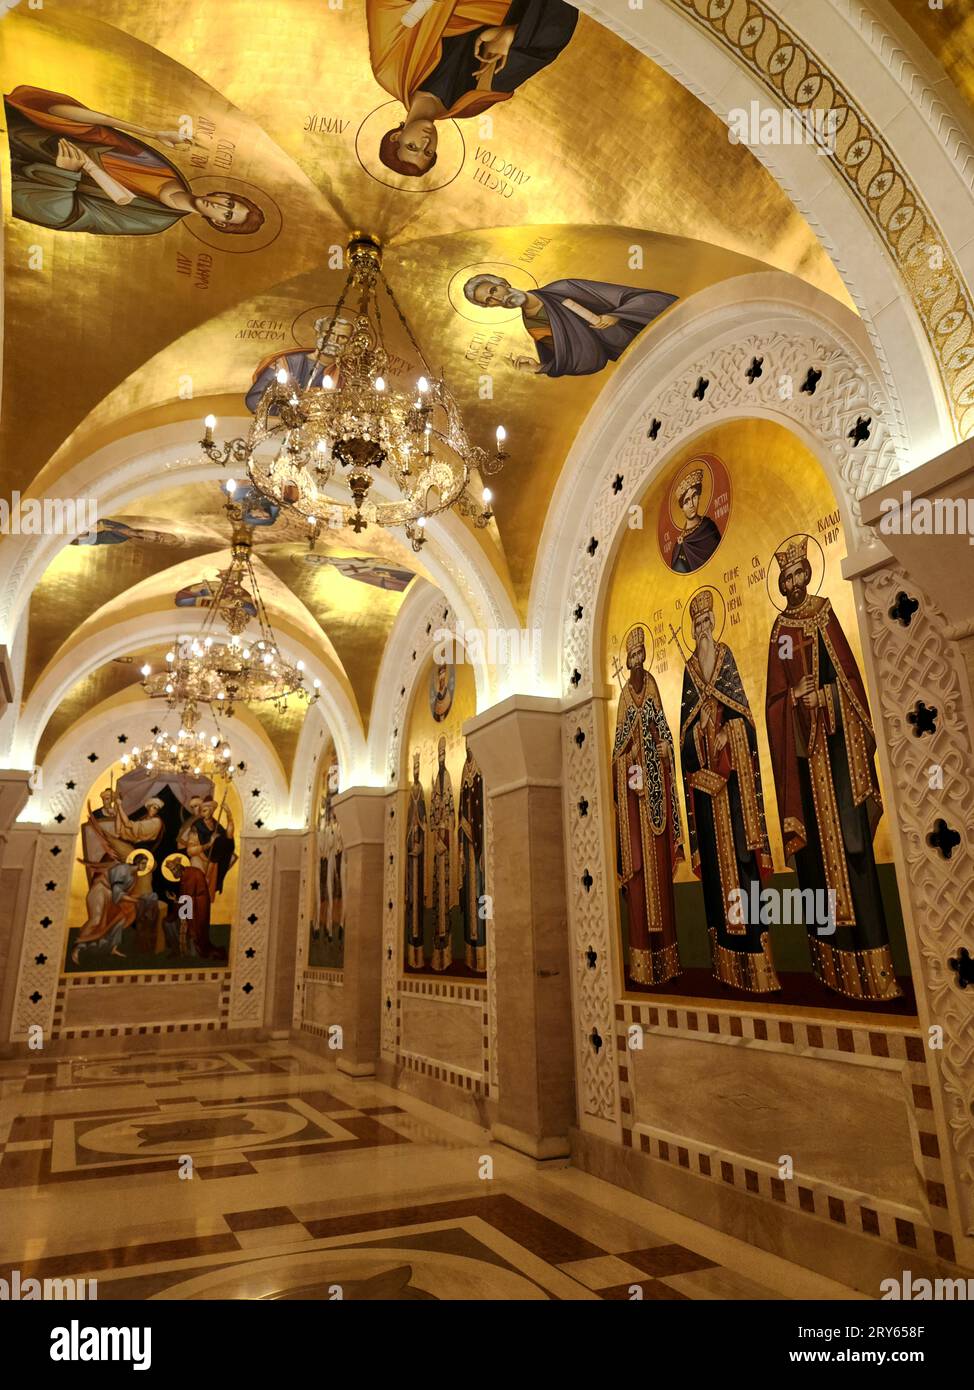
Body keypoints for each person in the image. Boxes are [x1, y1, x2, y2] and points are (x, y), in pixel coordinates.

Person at [765, 537, 901, 1001]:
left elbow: (853, 683)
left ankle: (876, 965)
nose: (795, 583)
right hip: (805, 763)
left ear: (808, 573)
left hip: (840, 759)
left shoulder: (825, 615)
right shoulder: (781, 632)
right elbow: (775, 700)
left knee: (853, 846)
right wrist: (795, 698)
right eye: (787, 578)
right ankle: (829, 965)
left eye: (799, 573)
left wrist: (826, 697)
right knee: (817, 859)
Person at [678, 590, 780, 992]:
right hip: (706, 795)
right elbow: (683, 737)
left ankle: (758, 958)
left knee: (742, 859)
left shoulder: (725, 660)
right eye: (696, 622)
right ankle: (724, 962)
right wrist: (700, 732)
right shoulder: (690, 672)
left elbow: (747, 722)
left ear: (713, 624)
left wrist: (726, 732)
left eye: (707, 621)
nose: (702, 628)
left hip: (734, 792)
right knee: (717, 875)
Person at [4, 86, 265, 238]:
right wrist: (151, 134)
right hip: (27, 137)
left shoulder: (153, 221)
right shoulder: (162, 169)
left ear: (219, 223)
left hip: (21, 173)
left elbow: (67, 218)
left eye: (227, 213)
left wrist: (64, 176)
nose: (220, 205)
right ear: (222, 193)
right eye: (229, 202)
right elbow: (94, 131)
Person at [367, 0, 578, 177]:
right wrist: (511, 34)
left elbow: (386, 7)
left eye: (413, 146)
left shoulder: (389, 71)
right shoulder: (471, 103)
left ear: (396, 136)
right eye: (429, 151)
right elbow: (547, 42)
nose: (425, 141)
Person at [612, 626, 684, 985]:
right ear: (626, 663)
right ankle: (641, 959)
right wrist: (629, 763)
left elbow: (665, 732)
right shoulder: (624, 698)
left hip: (653, 803)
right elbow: (617, 752)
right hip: (632, 809)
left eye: (641, 656)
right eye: (632, 658)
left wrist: (662, 750)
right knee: (639, 881)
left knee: (659, 878)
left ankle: (669, 959)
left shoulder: (652, 689)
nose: (637, 663)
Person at [464, 272, 676, 377]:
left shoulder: (563, 288)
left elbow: (630, 297)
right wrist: (542, 367)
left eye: (493, 291)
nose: (497, 299)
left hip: (657, 336)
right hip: (634, 363)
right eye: (488, 302)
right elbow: (587, 360)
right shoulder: (534, 326)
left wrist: (616, 316)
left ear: (502, 283)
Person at [457, 746, 486, 972]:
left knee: (483, 894)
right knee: (469, 893)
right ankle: (469, 950)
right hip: (467, 844)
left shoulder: (481, 768)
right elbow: (460, 809)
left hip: (479, 842)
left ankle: (484, 948)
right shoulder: (463, 772)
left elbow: (481, 806)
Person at [428, 737, 456, 971]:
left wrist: (444, 837)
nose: (441, 759)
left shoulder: (446, 777)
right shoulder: (435, 779)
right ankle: (436, 947)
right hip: (436, 847)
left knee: (445, 894)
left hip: (444, 846)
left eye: (443, 754)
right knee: (437, 891)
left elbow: (450, 809)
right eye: (438, 755)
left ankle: (447, 947)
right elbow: (432, 814)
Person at [670, 468, 722, 573]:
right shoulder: (679, 545)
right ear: (682, 507)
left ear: (699, 497)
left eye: (694, 496)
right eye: (686, 501)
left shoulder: (709, 528)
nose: (692, 505)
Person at [405, 752, 428, 969]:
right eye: (414, 767)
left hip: (419, 853)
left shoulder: (421, 791)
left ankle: (420, 944)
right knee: (410, 897)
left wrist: (421, 842)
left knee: (418, 897)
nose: (416, 770)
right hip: (411, 851)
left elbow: (424, 820)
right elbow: (408, 821)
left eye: (418, 767)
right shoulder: (412, 791)